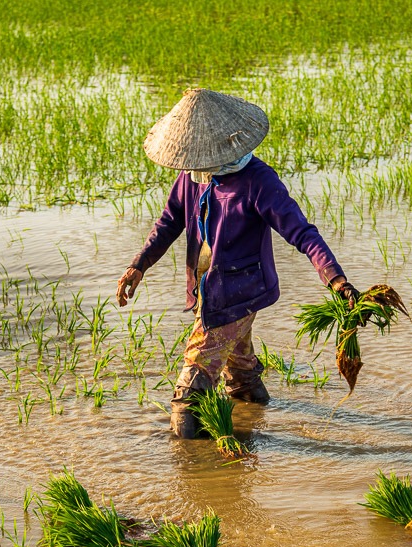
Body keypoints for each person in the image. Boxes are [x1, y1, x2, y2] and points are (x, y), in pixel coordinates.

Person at [116, 88, 359, 438]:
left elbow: (302, 232)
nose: (193, 165)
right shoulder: (193, 176)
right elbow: (170, 221)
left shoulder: (257, 182)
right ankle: (253, 428)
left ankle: (192, 471)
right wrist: (139, 265)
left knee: (190, 391)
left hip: (237, 296)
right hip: (208, 293)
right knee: (240, 374)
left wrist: (335, 278)